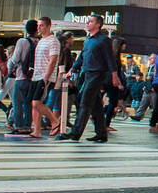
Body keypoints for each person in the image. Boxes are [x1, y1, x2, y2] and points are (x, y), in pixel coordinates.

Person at [60, 13, 122, 142]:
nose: (87, 23)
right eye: (87, 21)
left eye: (90, 21)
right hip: (87, 74)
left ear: (98, 25)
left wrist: (114, 76)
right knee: (96, 106)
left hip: (97, 74)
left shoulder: (104, 40)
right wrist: (72, 70)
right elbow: (82, 56)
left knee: (84, 102)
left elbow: (110, 59)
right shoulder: (88, 39)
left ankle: (75, 133)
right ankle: (101, 133)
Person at [28, 16, 60, 138]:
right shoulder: (41, 41)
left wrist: (46, 77)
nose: (39, 28)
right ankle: (37, 131)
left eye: (41, 25)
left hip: (45, 76)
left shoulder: (53, 41)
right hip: (37, 76)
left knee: (37, 103)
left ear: (48, 26)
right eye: (38, 25)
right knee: (34, 104)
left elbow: (53, 60)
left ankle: (55, 120)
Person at [6, 19, 38, 135]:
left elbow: (15, 59)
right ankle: (27, 126)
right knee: (28, 104)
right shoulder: (39, 42)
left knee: (17, 103)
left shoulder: (22, 41)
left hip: (21, 76)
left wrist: (9, 69)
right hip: (33, 77)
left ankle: (19, 126)